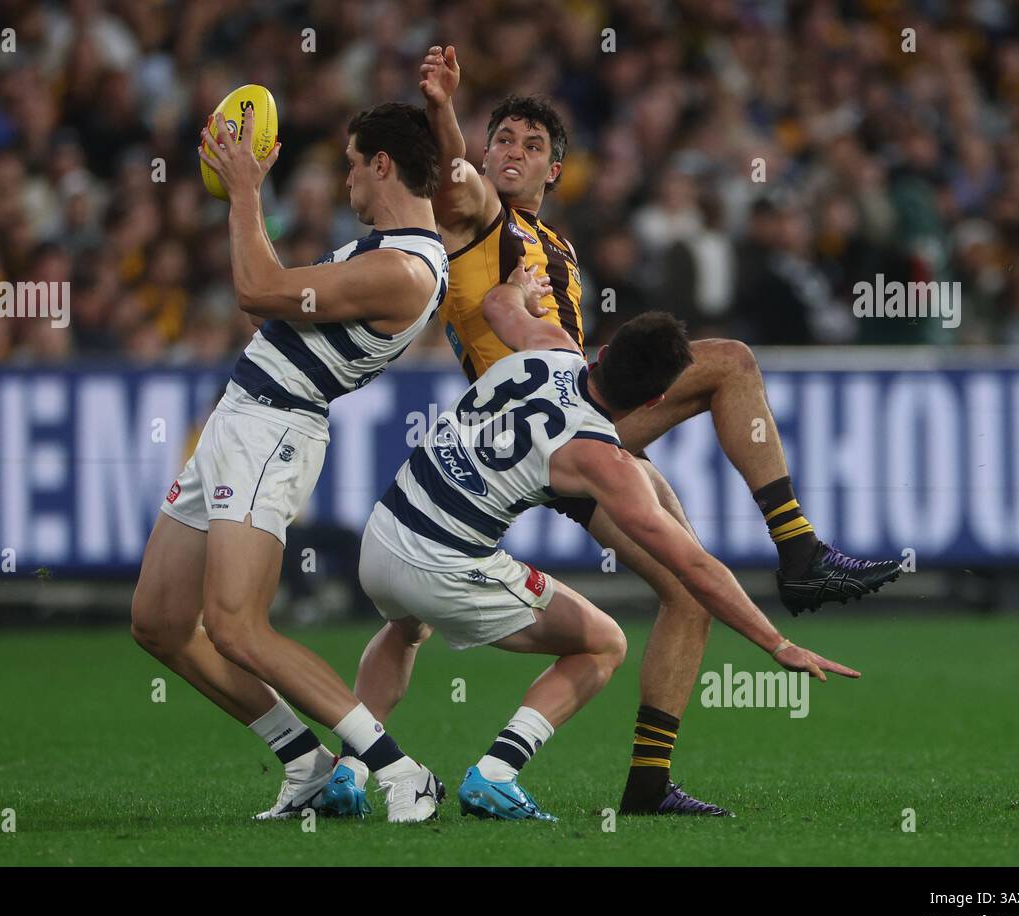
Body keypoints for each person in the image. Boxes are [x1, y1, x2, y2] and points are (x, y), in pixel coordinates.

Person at [411, 45, 900, 816]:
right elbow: (447, 179)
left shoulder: (556, 247)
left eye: (531, 146)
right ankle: (799, 550)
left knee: (687, 588)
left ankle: (647, 781)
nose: (511, 151)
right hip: (544, 428)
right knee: (729, 362)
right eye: (501, 137)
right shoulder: (477, 218)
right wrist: (442, 107)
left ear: (554, 173)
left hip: (578, 417)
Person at [320, 262, 858, 821]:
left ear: (602, 351)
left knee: (405, 629)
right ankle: (496, 774)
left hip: (381, 536)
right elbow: (692, 566)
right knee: (603, 644)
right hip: (442, 565)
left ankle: (348, 771)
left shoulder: (550, 349)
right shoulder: (602, 459)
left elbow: (499, 308)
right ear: (652, 403)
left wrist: (522, 289)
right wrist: (775, 643)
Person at [130, 101, 449, 823]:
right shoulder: (390, 247)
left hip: (273, 427)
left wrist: (246, 189)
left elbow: (257, 291)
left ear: (382, 165)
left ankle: (401, 771)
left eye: (350, 163)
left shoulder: (402, 268)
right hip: (238, 420)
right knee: (159, 621)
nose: (345, 181)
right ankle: (303, 762)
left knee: (236, 625)